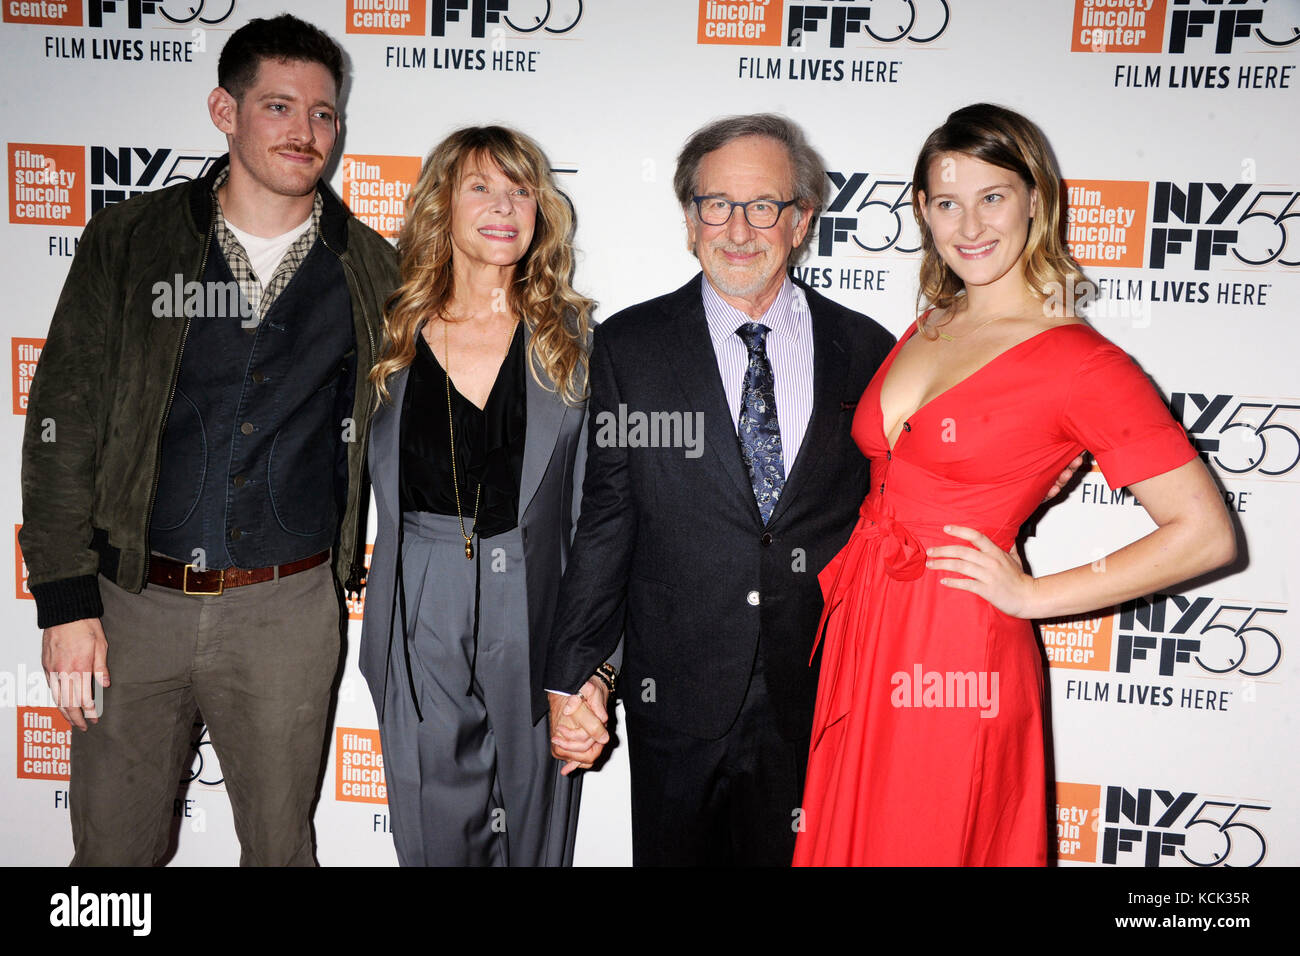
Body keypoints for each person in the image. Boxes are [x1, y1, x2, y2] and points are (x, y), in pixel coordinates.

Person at [792, 103, 1236, 866]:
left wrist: (1034, 595)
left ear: (1037, 199)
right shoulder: (929, 324)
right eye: (946, 201)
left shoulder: (1083, 363)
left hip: (956, 647)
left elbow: (1205, 533)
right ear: (923, 212)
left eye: (993, 196)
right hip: (867, 624)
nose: (970, 224)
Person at [20, 15, 399, 866]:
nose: (305, 133)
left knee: (279, 852)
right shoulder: (130, 240)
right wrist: (65, 600)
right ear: (224, 110)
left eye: (325, 114)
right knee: (112, 857)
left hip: (288, 612)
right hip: (130, 606)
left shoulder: (372, 268)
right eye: (278, 106)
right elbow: (62, 423)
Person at [543, 114, 897, 866]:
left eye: (764, 205)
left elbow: (890, 513)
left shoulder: (866, 349)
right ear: (688, 218)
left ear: (801, 220)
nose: (739, 228)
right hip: (676, 693)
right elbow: (608, 518)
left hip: (820, 694)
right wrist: (574, 672)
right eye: (716, 204)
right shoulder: (632, 348)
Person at [360, 126, 599, 866]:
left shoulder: (574, 341)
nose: (504, 206)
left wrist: (596, 661)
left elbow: (601, 514)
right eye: (480, 187)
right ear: (442, 204)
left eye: (521, 189)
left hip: (537, 591)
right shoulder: (390, 332)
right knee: (434, 822)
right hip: (419, 592)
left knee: (534, 821)